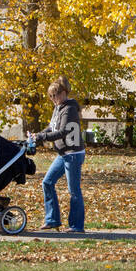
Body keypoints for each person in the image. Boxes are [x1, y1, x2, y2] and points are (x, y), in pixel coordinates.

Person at [32, 76, 86, 232]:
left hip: (73, 154)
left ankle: (76, 226)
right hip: (63, 153)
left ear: (64, 93)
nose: (53, 99)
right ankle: (52, 220)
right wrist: (37, 135)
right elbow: (51, 128)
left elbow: (62, 132)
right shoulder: (58, 108)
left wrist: (42, 137)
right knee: (47, 182)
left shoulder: (69, 109)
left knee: (74, 190)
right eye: (51, 96)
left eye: (55, 95)